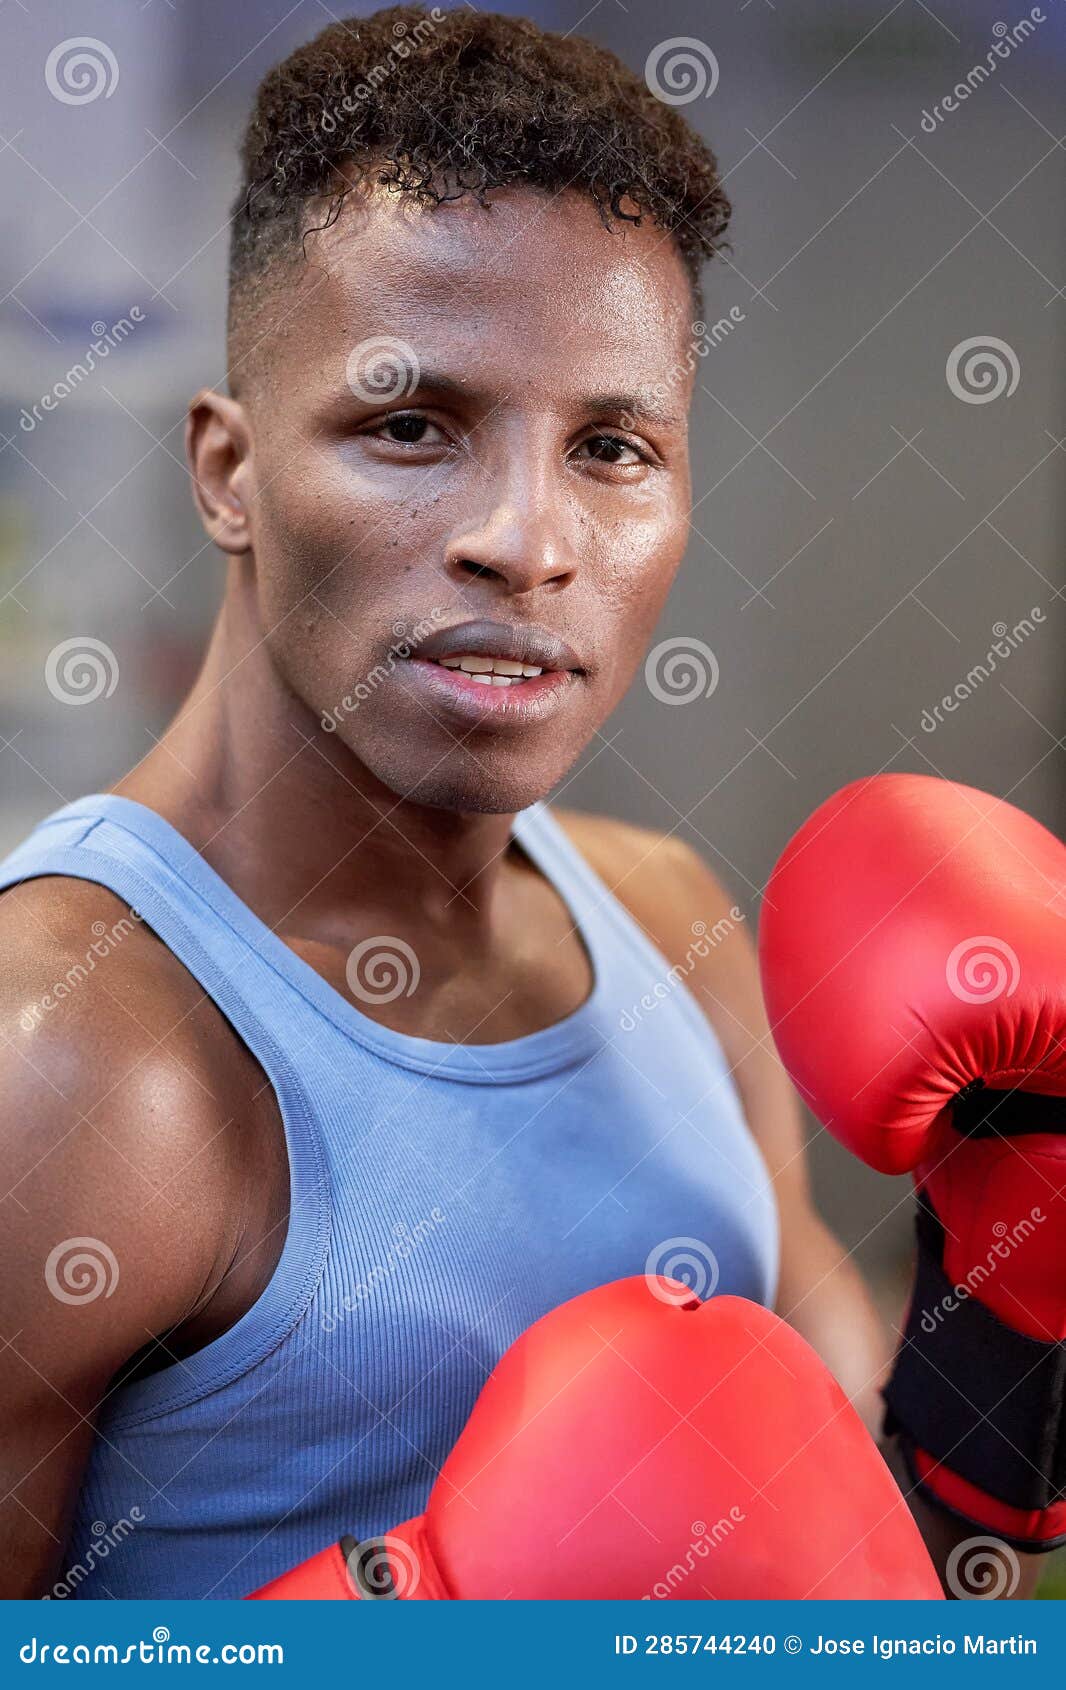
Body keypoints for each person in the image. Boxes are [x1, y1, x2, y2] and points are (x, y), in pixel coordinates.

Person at [0, 6, 983, 1599]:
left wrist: (1003, 1336)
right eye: (411, 425)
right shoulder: (69, 1060)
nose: (527, 542)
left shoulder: (674, 927)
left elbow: (879, 1575)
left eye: (609, 445)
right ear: (228, 470)